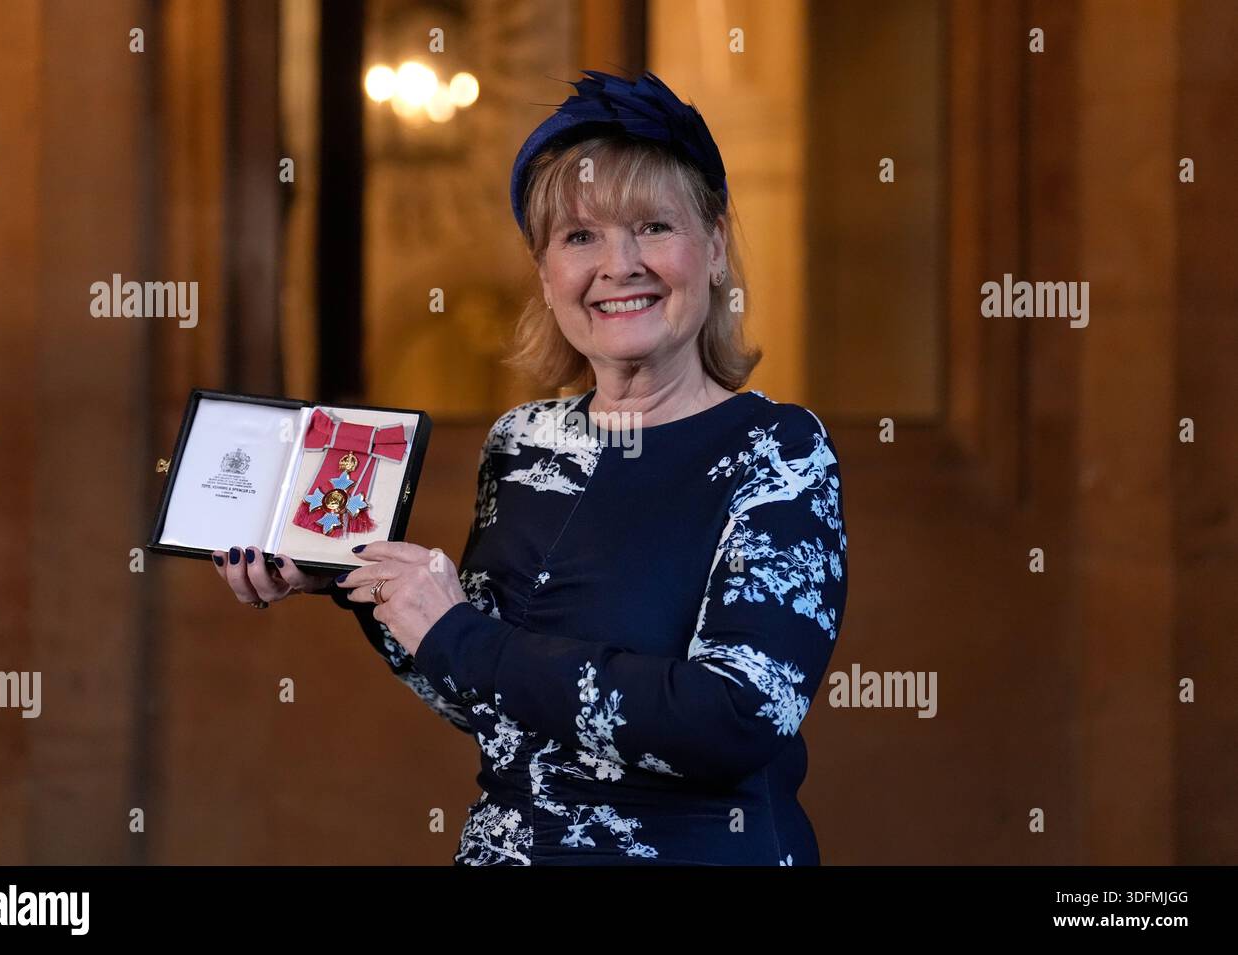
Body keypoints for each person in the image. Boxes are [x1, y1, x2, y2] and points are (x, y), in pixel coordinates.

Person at [211, 70, 848, 865]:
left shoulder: (779, 452)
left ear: (715, 246)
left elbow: (734, 719)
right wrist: (345, 572)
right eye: (579, 238)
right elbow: (490, 690)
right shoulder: (522, 443)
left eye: (653, 226)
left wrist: (461, 635)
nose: (619, 266)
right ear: (546, 275)